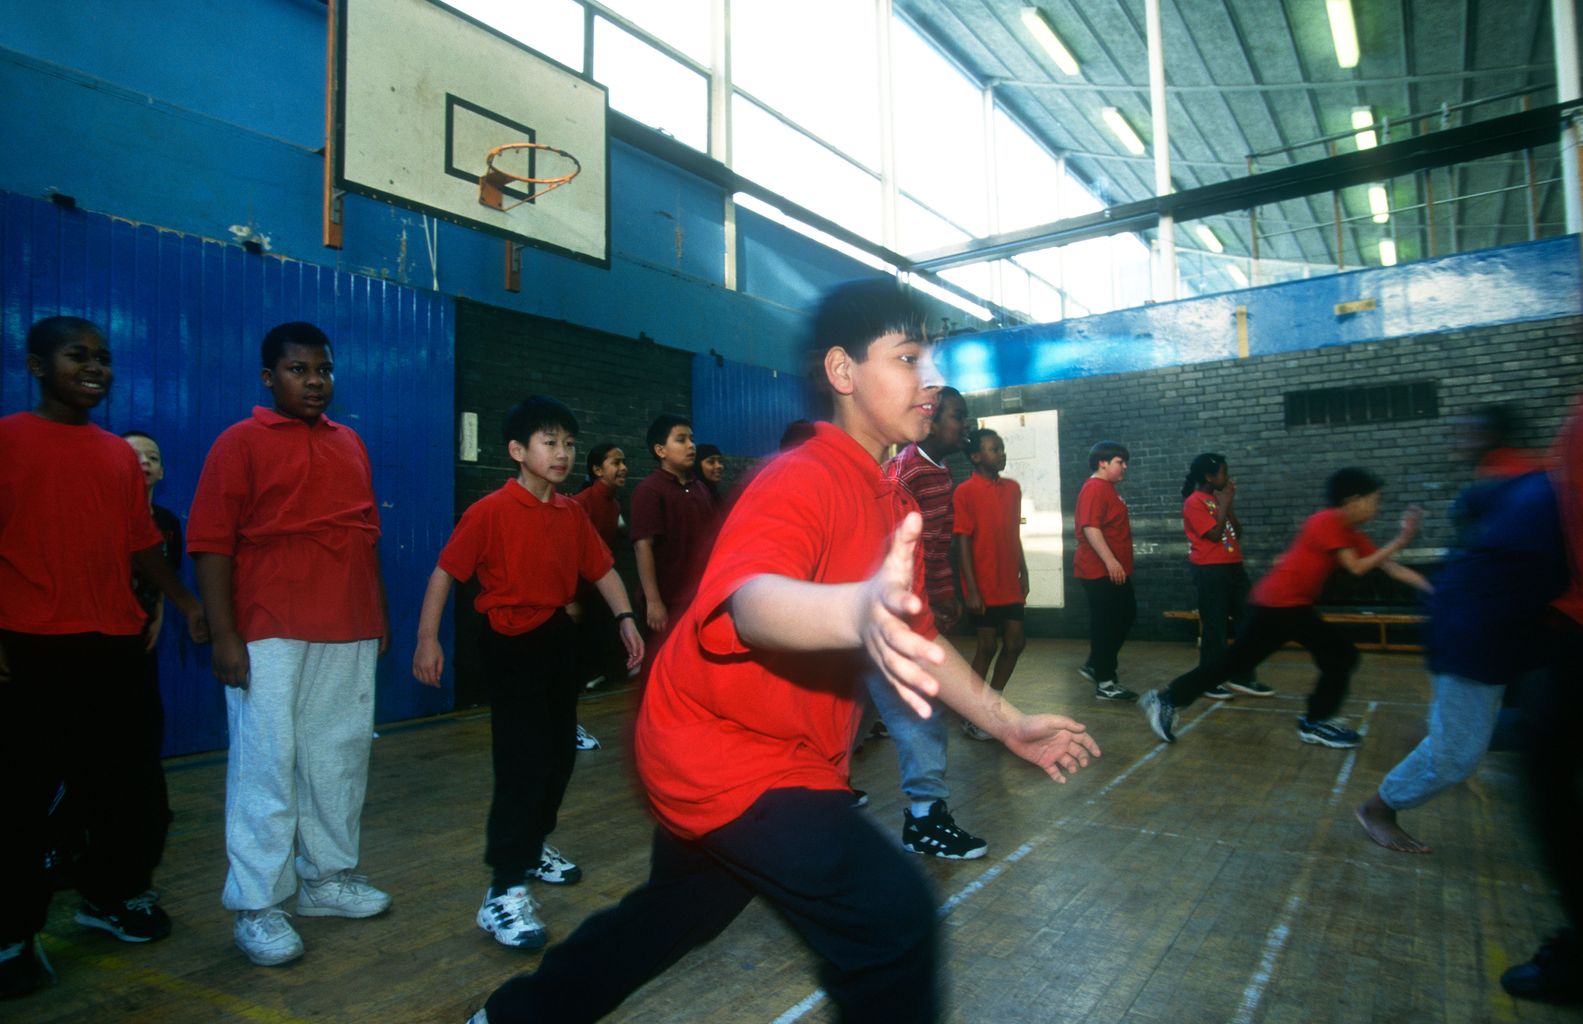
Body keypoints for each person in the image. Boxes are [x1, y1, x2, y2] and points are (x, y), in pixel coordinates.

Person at [465, 279, 1100, 1024]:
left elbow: (919, 639)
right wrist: (852, 610)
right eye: (906, 357)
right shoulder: (800, 477)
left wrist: (1004, 722)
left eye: (930, 359)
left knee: (676, 913)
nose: (929, 379)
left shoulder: (888, 498)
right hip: (721, 750)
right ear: (842, 372)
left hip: (775, 748)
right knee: (890, 919)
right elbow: (753, 601)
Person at [0, 317, 208, 1000]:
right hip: (32, 649)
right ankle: (11, 934)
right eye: (77, 356)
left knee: (130, 794)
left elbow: (138, 544)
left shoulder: (117, 457)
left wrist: (182, 601)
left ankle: (110, 896)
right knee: (21, 803)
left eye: (104, 358)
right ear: (36, 365)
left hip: (112, 648)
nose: (95, 367)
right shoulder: (8, 442)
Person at [188, 321, 391, 968]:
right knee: (266, 763)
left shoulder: (350, 442)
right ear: (267, 376)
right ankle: (257, 905)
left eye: (323, 370)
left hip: (348, 624)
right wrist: (225, 634)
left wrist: (377, 616)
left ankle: (326, 881)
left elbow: (365, 536)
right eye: (299, 370)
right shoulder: (238, 443)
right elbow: (212, 543)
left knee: (338, 757)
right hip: (268, 625)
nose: (314, 382)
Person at [414, 396, 643, 951]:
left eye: (567, 442)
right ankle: (502, 892)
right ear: (518, 452)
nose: (562, 453)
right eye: (549, 442)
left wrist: (627, 620)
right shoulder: (489, 512)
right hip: (508, 645)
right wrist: (427, 638)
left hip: (555, 641)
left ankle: (532, 844)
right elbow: (446, 573)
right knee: (521, 763)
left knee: (559, 756)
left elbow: (604, 569)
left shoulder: (570, 514)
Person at [1354, 463, 1566, 854]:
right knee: (1456, 755)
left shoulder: (1540, 490)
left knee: (1545, 720)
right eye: (1370, 499)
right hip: (1474, 631)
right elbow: (1362, 566)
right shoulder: (1547, 494)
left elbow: (1472, 505)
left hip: (1512, 626)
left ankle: (1438, 733)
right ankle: (1379, 807)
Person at [1141, 467, 1432, 748]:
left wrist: (1436, 591)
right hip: (1277, 605)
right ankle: (1315, 721)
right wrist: (1401, 539)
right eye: (1374, 500)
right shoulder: (1327, 520)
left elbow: (1392, 569)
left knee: (1324, 656)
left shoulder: (1350, 533)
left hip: (1290, 607)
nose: (1376, 508)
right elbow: (1356, 567)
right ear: (1352, 500)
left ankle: (1169, 699)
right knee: (1336, 655)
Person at [864, 385, 988, 859]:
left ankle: (824, 790)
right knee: (919, 708)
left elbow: (934, 545)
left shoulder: (941, 469)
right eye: (959, 416)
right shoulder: (905, 472)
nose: (967, 424)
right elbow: (891, 549)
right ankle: (924, 818)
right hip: (890, 611)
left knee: (861, 708)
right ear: (930, 422)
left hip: (918, 603)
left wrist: (945, 594)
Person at [123, 430, 185, 875]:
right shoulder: (98, 513)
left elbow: (164, 577)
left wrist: (161, 615)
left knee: (144, 730)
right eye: (133, 455)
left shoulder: (165, 521)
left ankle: (146, 814)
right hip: (99, 640)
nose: (144, 463)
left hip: (140, 641)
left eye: (152, 457)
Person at [955, 427, 1029, 737]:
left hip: (1008, 580)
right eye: (993, 449)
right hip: (982, 584)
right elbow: (962, 540)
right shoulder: (965, 492)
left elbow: (1014, 532)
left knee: (1015, 642)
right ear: (975, 457)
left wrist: (1023, 569)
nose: (1001, 453)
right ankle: (972, 713)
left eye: (1001, 448)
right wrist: (971, 589)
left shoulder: (1013, 489)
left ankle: (992, 704)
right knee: (986, 646)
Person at [1180, 454, 1272, 701]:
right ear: (1209, 477)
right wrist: (1225, 504)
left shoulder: (1216, 499)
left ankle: (1242, 677)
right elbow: (1213, 535)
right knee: (1215, 627)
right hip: (1210, 569)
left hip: (1233, 566)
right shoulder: (1194, 502)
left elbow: (1236, 532)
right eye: (1223, 472)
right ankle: (1209, 680)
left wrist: (1227, 506)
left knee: (1249, 621)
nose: (1227, 477)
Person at [630, 413, 716, 645]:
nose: (691, 446)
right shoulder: (649, 491)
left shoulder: (700, 489)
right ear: (661, 451)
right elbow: (643, 547)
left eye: (691, 439)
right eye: (680, 440)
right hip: (666, 602)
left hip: (697, 597)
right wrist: (654, 601)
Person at [570, 442, 630, 749]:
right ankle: (566, 728)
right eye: (615, 462)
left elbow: (616, 529)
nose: (623, 468)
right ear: (596, 470)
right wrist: (570, 600)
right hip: (575, 597)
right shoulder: (581, 503)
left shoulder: (614, 504)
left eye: (624, 462)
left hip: (597, 595)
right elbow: (569, 555)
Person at [1074, 441, 1137, 701]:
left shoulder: (1107, 489)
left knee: (1123, 616)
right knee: (1108, 623)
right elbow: (1090, 527)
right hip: (1099, 571)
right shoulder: (1094, 488)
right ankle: (1105, 682)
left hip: (1113, 570)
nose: (1125, 467)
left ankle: (1095, 664)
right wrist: (1111, 562)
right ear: (1103, 463)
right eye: (1119, 462)